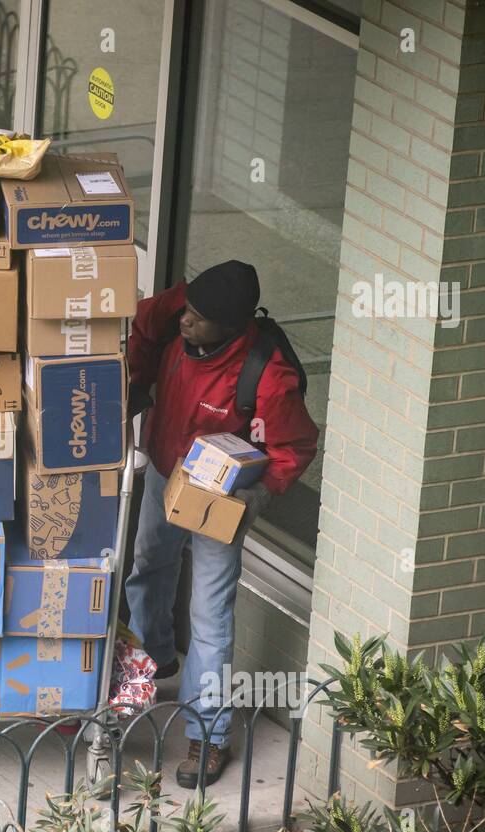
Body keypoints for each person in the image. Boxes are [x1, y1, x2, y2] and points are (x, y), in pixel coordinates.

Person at [125, 260, 318, 788]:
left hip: (216, 499)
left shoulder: (268, 376)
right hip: (167, 469)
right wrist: (137, 380)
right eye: (186, 310)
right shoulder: (180, 309)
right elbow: (144, 326)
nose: (186, 321)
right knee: (147, 565)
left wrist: (257, 497)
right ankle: (152, 662)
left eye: (200, 319)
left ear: (231, 327)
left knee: (210, 616)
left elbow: (294, 447)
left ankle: (207, 735)